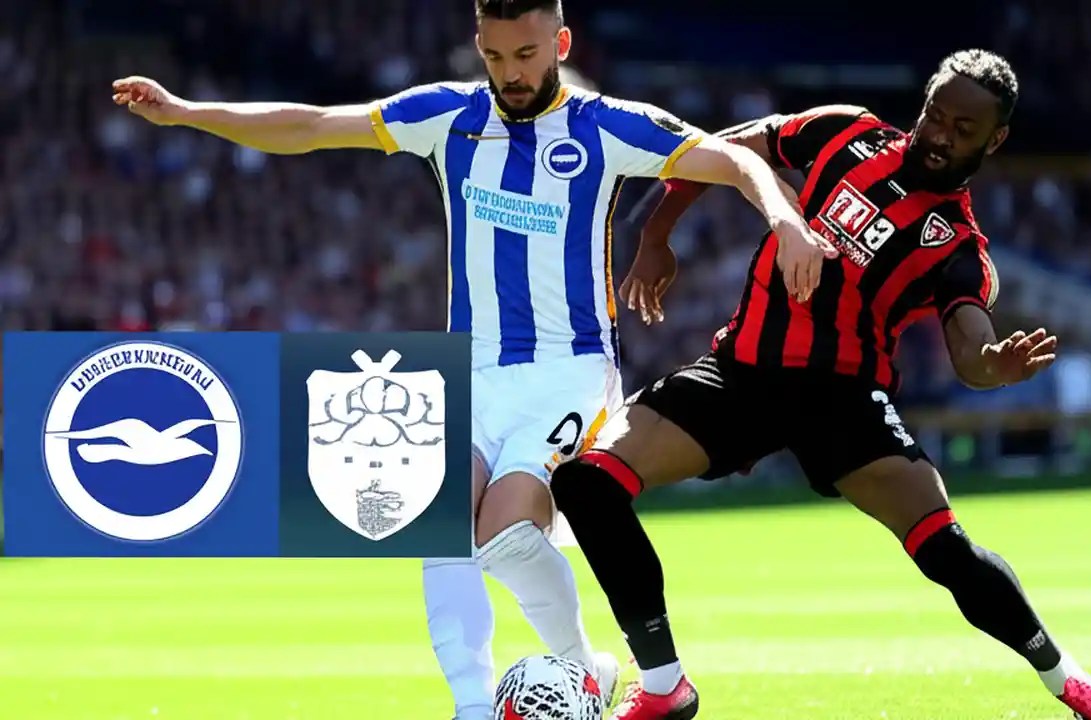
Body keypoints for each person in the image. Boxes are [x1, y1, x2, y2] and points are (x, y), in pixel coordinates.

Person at [109, 1, 836, 718]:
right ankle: (471, 708)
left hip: (570, 370)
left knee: (505, 534)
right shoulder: (447, 116)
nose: (509, 73)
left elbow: (732, 157)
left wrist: (785, 220)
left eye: (525, 55)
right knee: (441, 524)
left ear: (560, 44)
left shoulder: (606, 125)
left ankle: (586, 669)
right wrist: (188, 112)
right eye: (494, 56)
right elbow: (314, 125)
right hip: (473, 374)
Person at [550, 49, 1091, 720]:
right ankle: (665, 686)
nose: (941, 136)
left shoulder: (957, 244)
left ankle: (1070, 682)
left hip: (842, 402)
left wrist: (993, 365)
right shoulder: (845, 131)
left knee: (945, 550)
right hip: (740, 374)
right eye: (936, 115)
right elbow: (720, 152)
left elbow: (971, 347)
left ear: (995, 139)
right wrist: (657, 234)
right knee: (585, 482)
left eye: (964, 130)